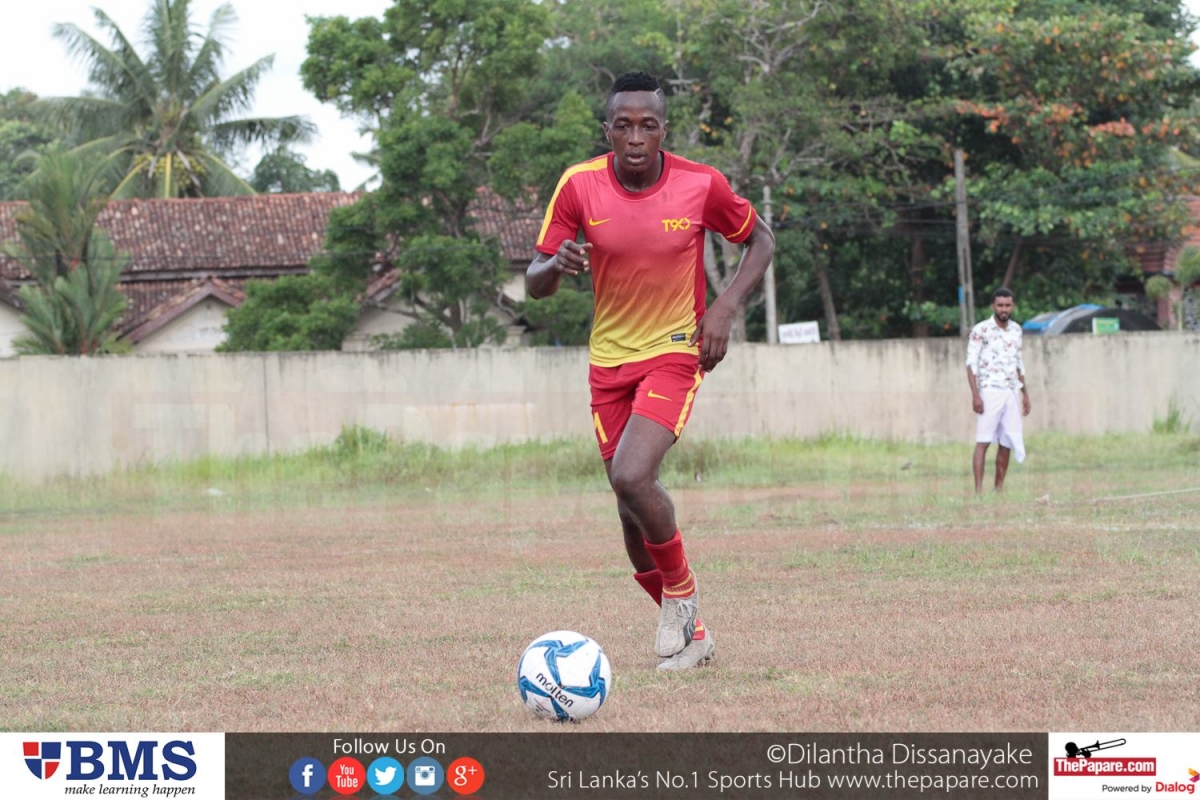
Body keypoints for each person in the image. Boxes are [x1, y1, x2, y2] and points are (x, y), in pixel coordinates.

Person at [526, 71, 775, 670]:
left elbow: (762, 240)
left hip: (675, 351)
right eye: (623, 125)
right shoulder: (578, 185)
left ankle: (682, 597)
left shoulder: (700, 183)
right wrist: (556, 264)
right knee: (628, 509)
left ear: (664, 130)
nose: (636, 137)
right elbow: (534, 282)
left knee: (633, 476)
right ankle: (697, 636)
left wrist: (724, 308)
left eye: (648, 125)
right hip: (608, 361)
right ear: (606, 131)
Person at [966, 287, 1031, 493]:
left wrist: (1025, 394)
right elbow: (971, 364)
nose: (1004, 309)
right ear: (993, 306)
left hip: (1011, 391)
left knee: (1007, 441)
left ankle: (998, 490)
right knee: (983, 441)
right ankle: (978, 492)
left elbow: (1018, 363)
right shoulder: (981, 330)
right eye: (1000, 305)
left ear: (1013, 306)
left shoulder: (1016, 330)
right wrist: (975, 395)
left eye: (1007, 305)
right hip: (989, 390)